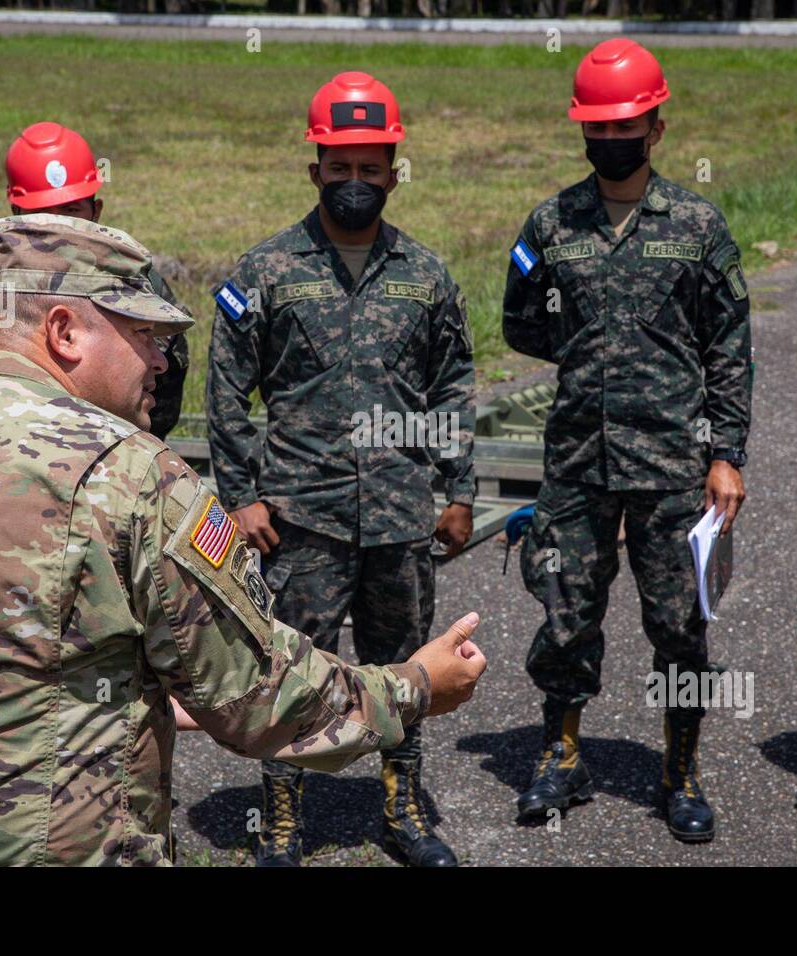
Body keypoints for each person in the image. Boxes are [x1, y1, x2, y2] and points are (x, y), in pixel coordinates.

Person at [0, 215, 486, 867]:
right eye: (144, 335)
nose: (161, 360)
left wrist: (132, 686)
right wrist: (417, 685)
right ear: (64, 330)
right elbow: (260, 697)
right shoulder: (131, 475)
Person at [207, 71, 477, 867]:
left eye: (371, 168)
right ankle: (284, 823)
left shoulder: (426, 277)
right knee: (290, 669)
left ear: (394, 172)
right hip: (302, 517)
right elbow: (226, 391)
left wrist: (458, 490)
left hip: (401, 514)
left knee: (406, 667)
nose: (355, 183)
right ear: (314, 168)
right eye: (340, 167)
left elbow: (454, 385)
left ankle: (402, 812)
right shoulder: (265, 272)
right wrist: (243, 496)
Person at [502, 38, 751, 844]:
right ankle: (562, 754)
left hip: (674, 463)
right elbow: (519, 320)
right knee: (566, 614)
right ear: (582, 130)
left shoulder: (698, 225)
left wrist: (727, 454)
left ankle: (680, 774)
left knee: (678, 624)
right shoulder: (550, 222)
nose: (612, 138)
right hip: (577, 460)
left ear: (656, 127)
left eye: (627, 124)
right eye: (598, 125)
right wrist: (591, 361)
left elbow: (729, 347)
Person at [0, 121, 189, 442]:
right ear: (15, 212)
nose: (57, 225)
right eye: (42, 212)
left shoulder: (139, 290)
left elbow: (164, 387)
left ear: (96, 211)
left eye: (71, 210)